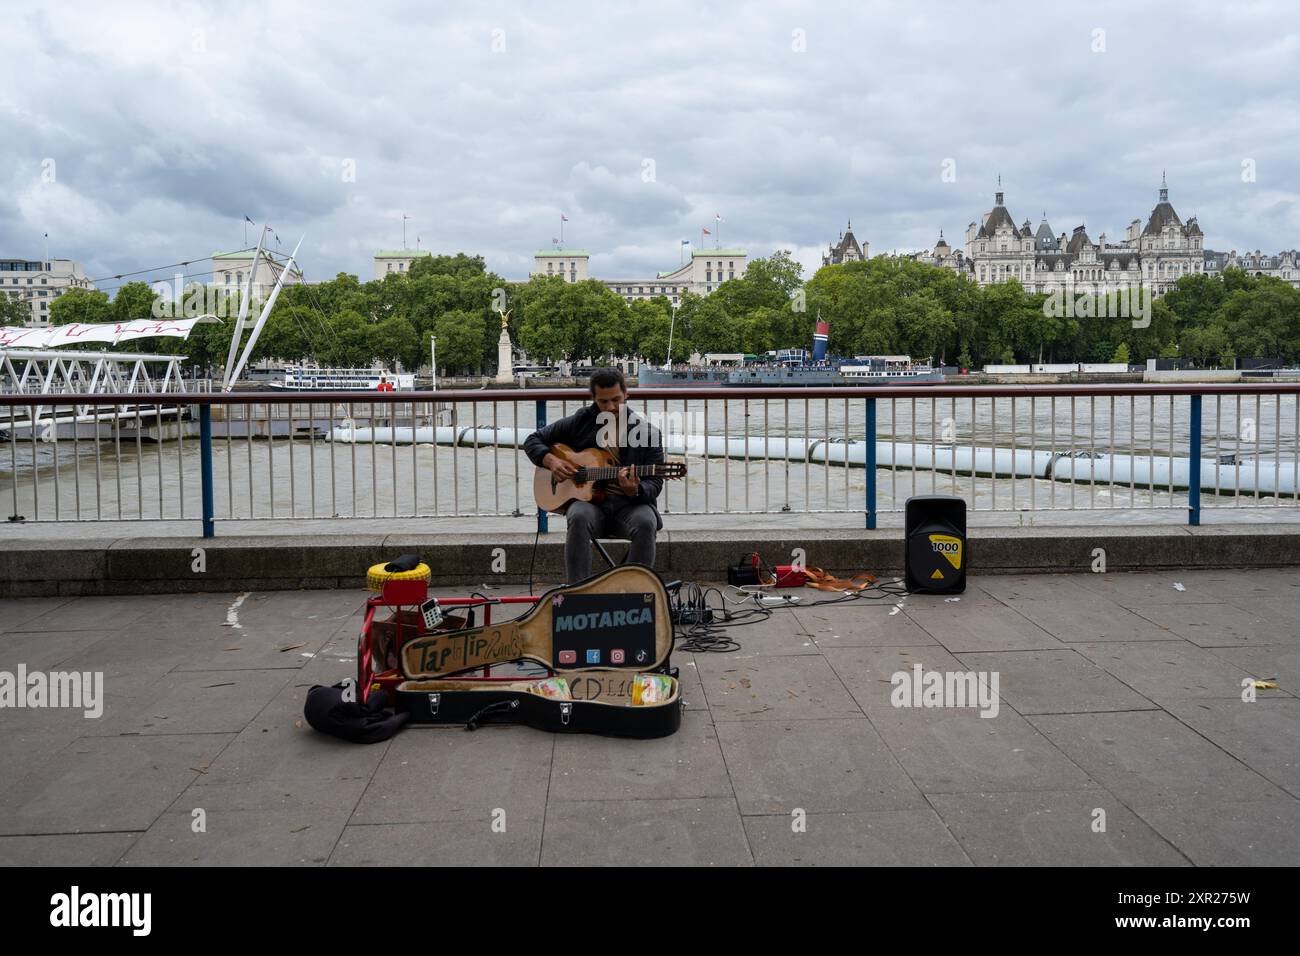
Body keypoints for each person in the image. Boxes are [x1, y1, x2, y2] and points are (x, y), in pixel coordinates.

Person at [524, 367, 664, 583]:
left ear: (627, 394)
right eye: (603, 402)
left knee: (646, 521)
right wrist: (551, 461)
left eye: (617, 400)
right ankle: (578, 593)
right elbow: (533, 440)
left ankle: (634, 592)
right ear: (594, 399)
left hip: (630, 506)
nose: (611, 407)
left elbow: (655, 482)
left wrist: (636, 489)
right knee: (577, 515)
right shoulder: (582, 420)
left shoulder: (648, 433)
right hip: (591, 507)